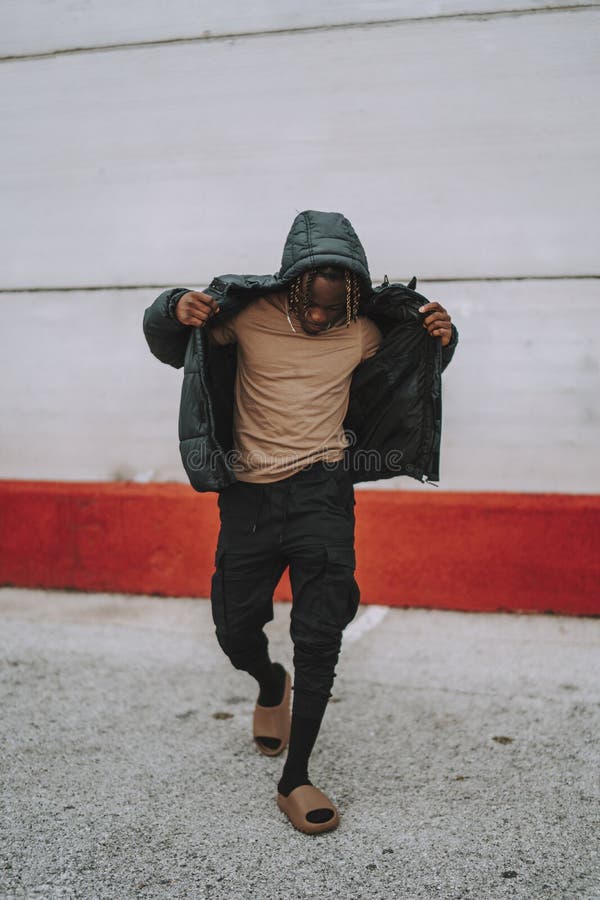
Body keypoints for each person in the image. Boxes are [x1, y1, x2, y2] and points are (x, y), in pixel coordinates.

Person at [143, 210, 458, 834]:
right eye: (310, 305)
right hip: (251, 499)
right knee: (234, 629)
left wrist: (443, 337)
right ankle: (268, 681)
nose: (319, 319)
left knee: (321, 635)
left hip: (323, 492)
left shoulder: (364, 329)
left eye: (333, 309)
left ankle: (297, 776)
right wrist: (172, 305)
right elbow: (175, 344)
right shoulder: (247, 317)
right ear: (291, 284)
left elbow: (410, 371)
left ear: (353, 297)